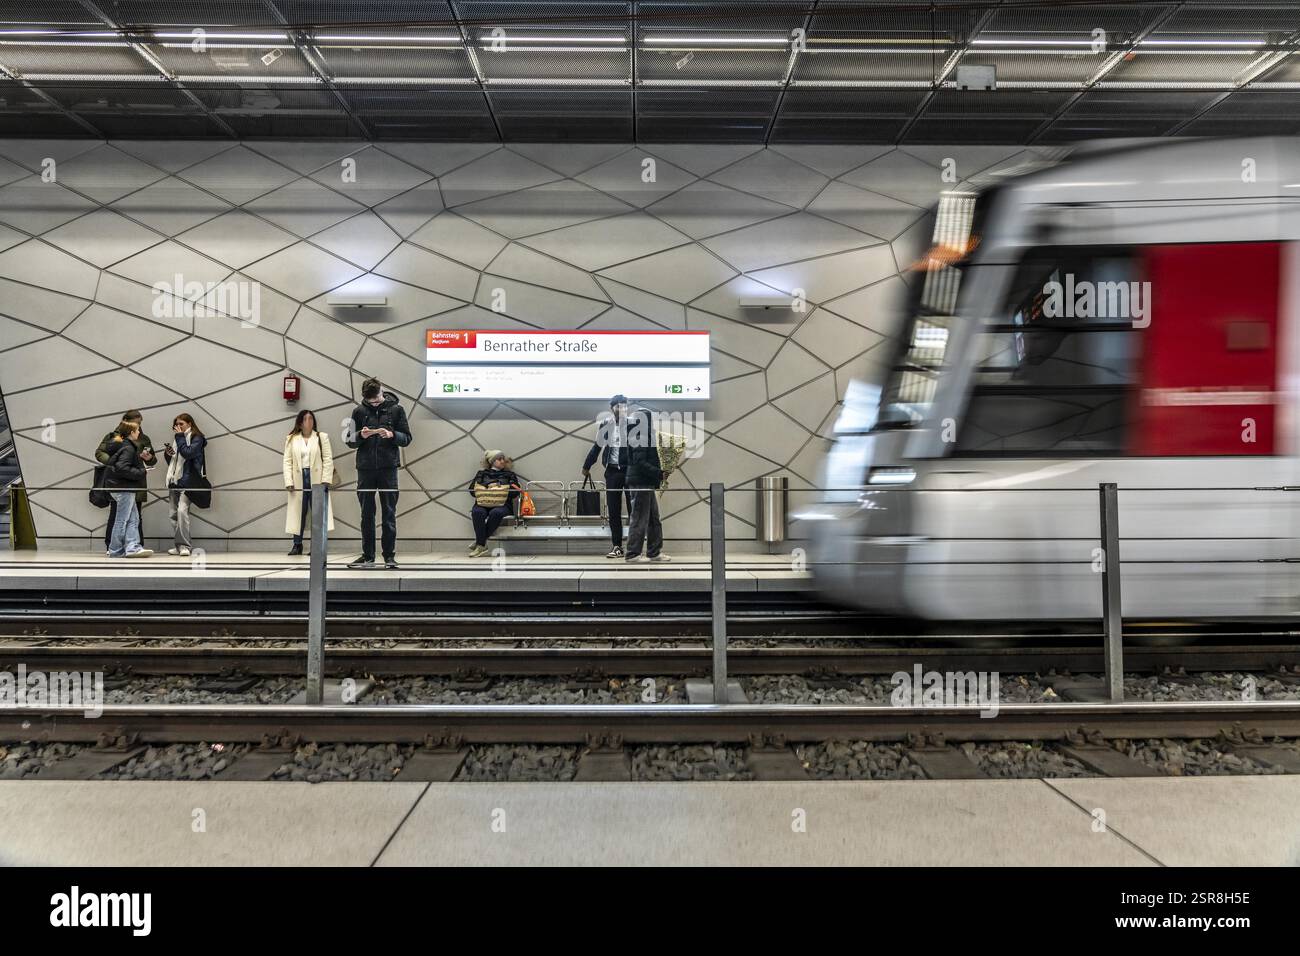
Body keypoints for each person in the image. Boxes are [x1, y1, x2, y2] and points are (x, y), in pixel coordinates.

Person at [345, 377, 411, 569]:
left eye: (376, 399)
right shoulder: (358, 411)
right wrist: (360, 436)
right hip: (365, 468)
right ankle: (368, 556)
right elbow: (349, 441)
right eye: (370, 401)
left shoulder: (397, 410)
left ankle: (389, 556)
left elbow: (406, 438)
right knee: (366, 514)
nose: (374, 403)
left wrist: (391, 435)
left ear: (382, 392)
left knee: (389, 513)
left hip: (388, 468)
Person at [95, 409, 155, 553]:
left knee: (135, 516)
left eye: (140, 423)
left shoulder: (143, 438)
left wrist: (149, 458)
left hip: (136, 481)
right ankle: (114, 546)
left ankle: (133, 546)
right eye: (136, 423)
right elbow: (99, 453)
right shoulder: (115, 437)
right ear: (127, 423)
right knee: (119, 515)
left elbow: (153, 457)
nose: (139, 426)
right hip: (123, 481)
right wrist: (114, 464)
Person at [582, 393, 632, 558]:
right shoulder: (606, 424)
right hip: (612, 472)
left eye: (624, 405)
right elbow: (597, 447)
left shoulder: (634, 424)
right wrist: (587, 465)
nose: (622, 408)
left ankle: (633, 546)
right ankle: (617, 546)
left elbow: (643, 449)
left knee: (633, 510)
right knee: (614, 510)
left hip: (630, 471)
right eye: (619, 406)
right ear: (612, 408)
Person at [283, 409, 334, 555]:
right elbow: (287, 461)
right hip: (298, 479)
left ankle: (317, 546)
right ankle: (297, 544)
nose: (308, 422)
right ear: (299, 422)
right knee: (299, 512)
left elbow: (328, 459)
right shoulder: (292, 439)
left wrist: (325, 480)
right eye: (305, 419)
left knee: (317, 512)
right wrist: (288, 481)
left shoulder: (321, 437)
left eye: (311, 419)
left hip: (316, 478)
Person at [624, 404, 670, 563]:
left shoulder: (643, 434)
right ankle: (632, 554)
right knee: (639, 518)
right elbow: (639, 462)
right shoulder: (639, 436)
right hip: (640, 482)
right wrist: (659, 473)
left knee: (652, 519)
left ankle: (654, 552)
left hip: (645, 482)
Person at [162, 412, 207, 556]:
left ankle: (184, 546)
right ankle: (178, 545)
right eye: (176, 425)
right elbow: (173, 462)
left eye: (181, 424)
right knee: (173, 514)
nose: (178, 427)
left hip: (189, 481)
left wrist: (179, 437)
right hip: (175, 481)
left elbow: (188, 453)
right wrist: (168, 454)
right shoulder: (178, 440)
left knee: (182, 511)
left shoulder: (197, 438)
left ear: (190, 424)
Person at [468, 449, 518, 557]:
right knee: (477, 512)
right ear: (492, 461)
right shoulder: (481, 473)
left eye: (503, 459)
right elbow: (472, 490)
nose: (502, 461)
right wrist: (492, 488)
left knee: (496, 513)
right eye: (499, 459)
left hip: (503, 505)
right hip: (483, 503)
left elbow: (515, 492)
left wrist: (497, 489)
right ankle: (481, 544)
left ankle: (480, 543)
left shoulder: (510, 474)